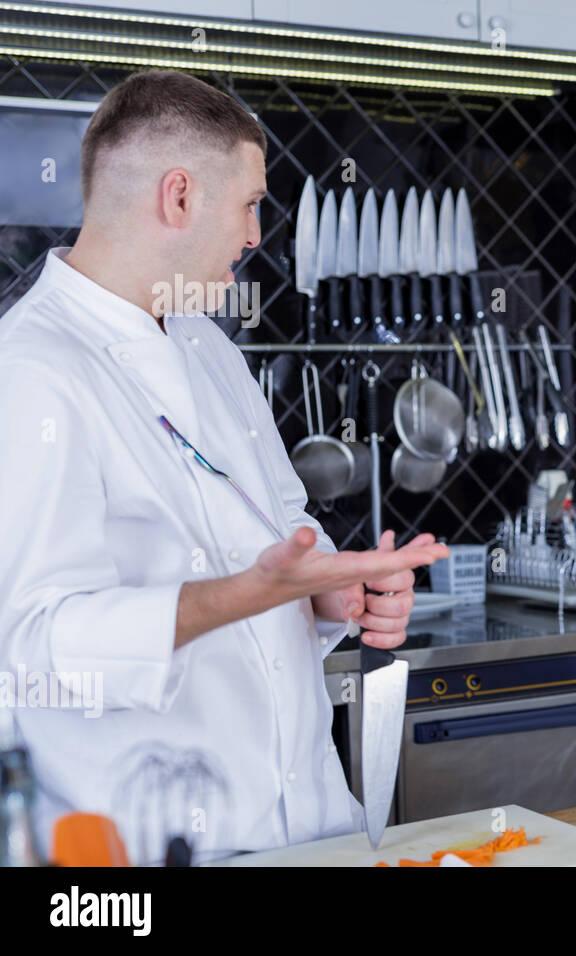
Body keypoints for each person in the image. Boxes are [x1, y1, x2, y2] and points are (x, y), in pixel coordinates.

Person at [0, 70, 447, 862]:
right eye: (249, 204)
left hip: (313, 831)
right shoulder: (31, 368)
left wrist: (331, 588)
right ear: (178, 197)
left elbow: (282, 523)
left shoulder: (207, 343)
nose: (253, 234)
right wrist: (241, 595)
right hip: (159, 848)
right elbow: (31, 649)